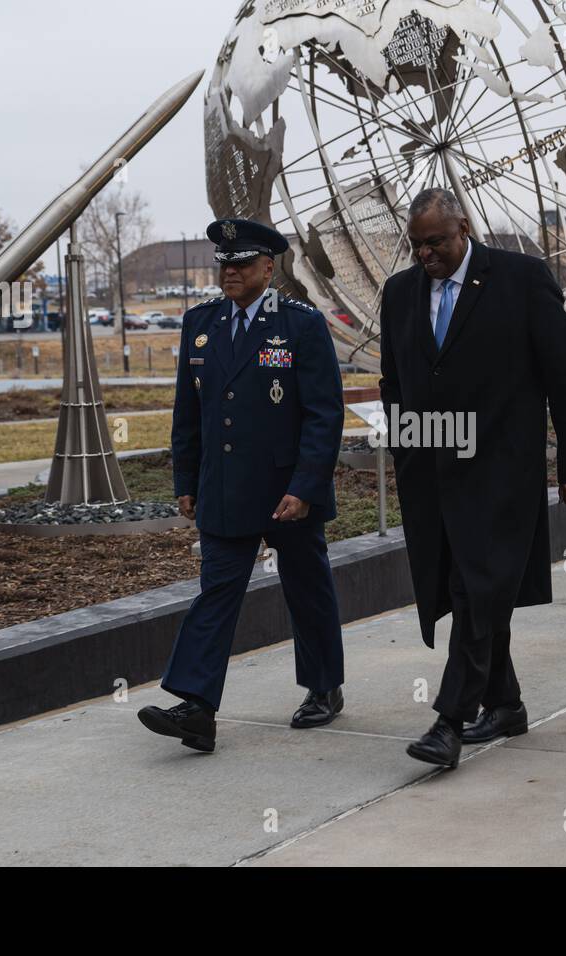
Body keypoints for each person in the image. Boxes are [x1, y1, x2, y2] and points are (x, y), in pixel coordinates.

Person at [378, 188, 566, 769]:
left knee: (477, 589)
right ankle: (506, 703)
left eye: (436, 242)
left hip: (502, 468)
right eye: (417, 244)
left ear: (464, 229)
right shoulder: (399, 293)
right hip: (431, 471)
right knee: (465, 585)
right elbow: (393, 381)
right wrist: (406, 444)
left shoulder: (521, 279)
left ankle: (450, 720)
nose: (426, 255)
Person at [137, 218, 346, 752]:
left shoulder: (300, 324)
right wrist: (186, 479)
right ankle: (197, 708)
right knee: (217, 593)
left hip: (286, 491)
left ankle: (323, 687)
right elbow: (190, 411)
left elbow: (324, 414)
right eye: (224, 264)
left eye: (241, 264)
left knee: (307, 590)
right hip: (224, 488)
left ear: (268, 268)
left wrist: (305, 486)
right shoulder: (200, 323)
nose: (229, 273)